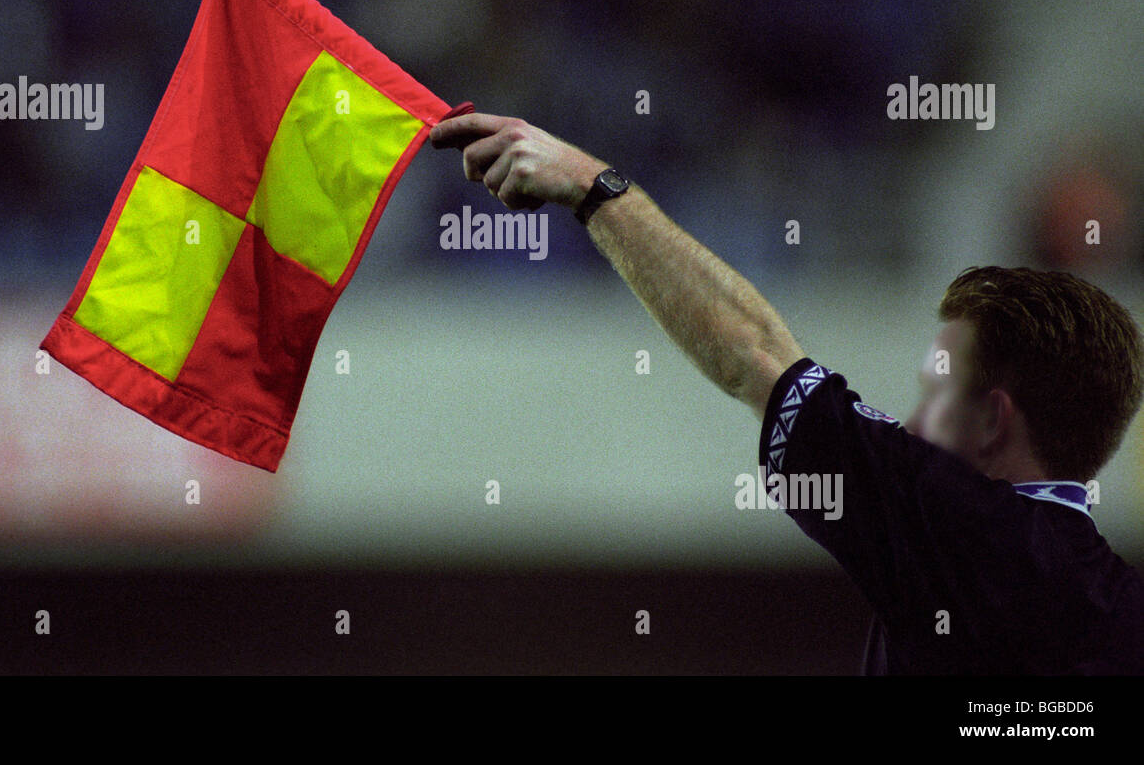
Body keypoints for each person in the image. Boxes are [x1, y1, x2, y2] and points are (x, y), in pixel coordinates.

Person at [430, 110, 1144, 674]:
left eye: (937, 392)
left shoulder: (957, 530)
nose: (914, 419)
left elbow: (754, 356)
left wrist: (591, 186)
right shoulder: (1120, 613)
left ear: (993, 420)